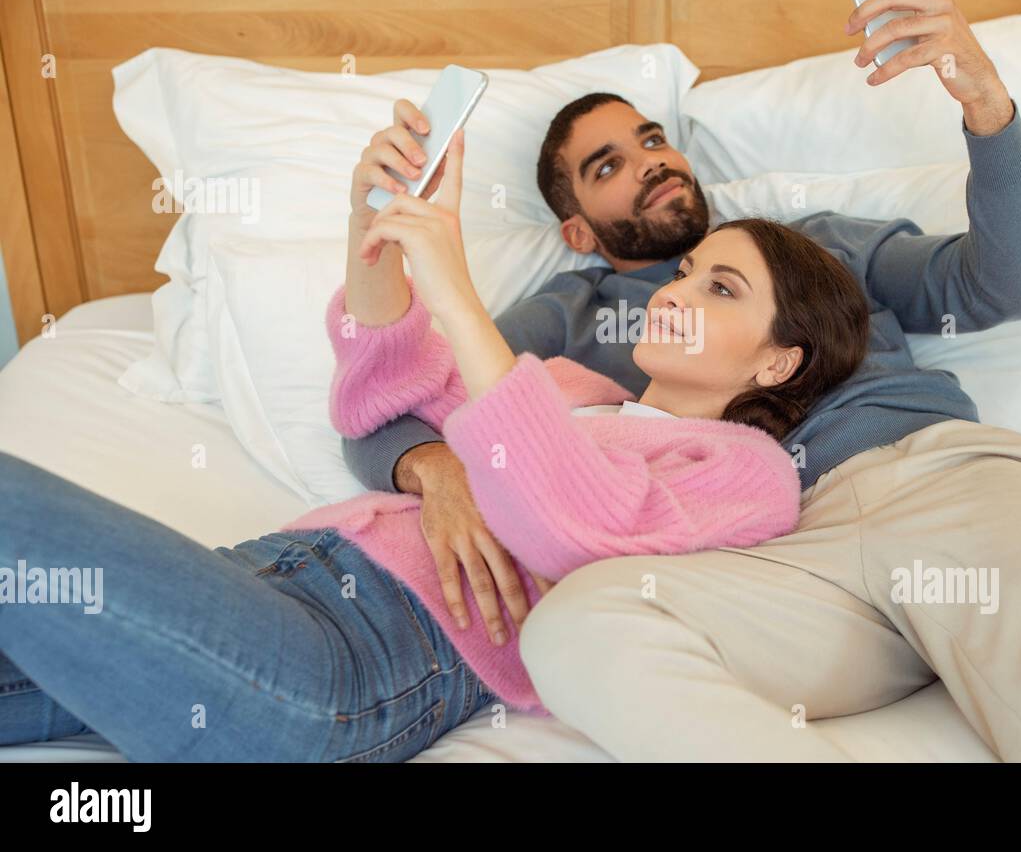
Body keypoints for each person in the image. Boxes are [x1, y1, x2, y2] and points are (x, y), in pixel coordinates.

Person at [343, 0, 1021, 761]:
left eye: (653, 139)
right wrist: (436, 469)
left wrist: (983, 102)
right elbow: (410, 395)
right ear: (576, 229)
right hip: (772, 557)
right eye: (609, 165)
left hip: (934, 485)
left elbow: (1011, 284)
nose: (650, 164)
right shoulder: (573, 317)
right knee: (580, 627)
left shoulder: (818, 250)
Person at [0, 128, 874, 760]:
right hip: (269, 573)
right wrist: (369, 227)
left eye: (721, 288)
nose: (678, 291)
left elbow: (578, 528)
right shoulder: (574, 390)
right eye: (685, 272)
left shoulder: (746, 472)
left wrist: (453, 284)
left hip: (350, 661)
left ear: (777, 359)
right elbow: (386, 391)